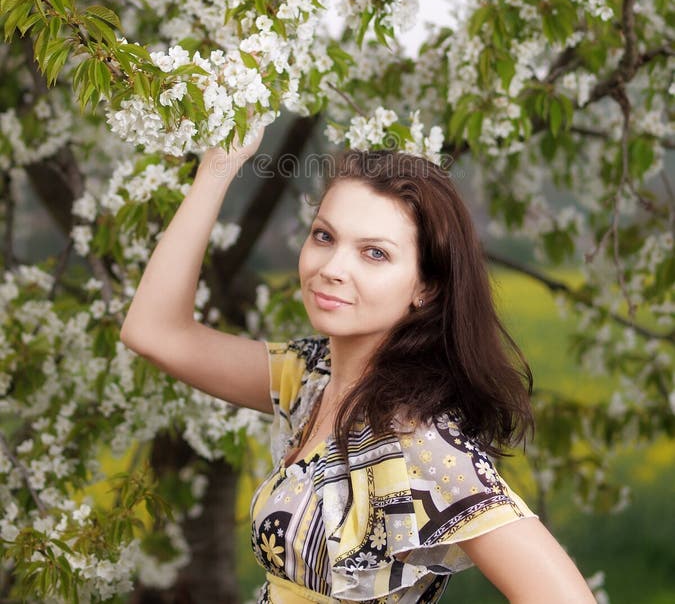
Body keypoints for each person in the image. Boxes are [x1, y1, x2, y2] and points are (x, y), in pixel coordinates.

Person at [121, 133, 596, 604]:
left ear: (426, 287)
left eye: (375, 253)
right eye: (324, 236)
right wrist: (218, 165)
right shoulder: (311, 377)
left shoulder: (418, 439)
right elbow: (155, 331)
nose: (332, 267)